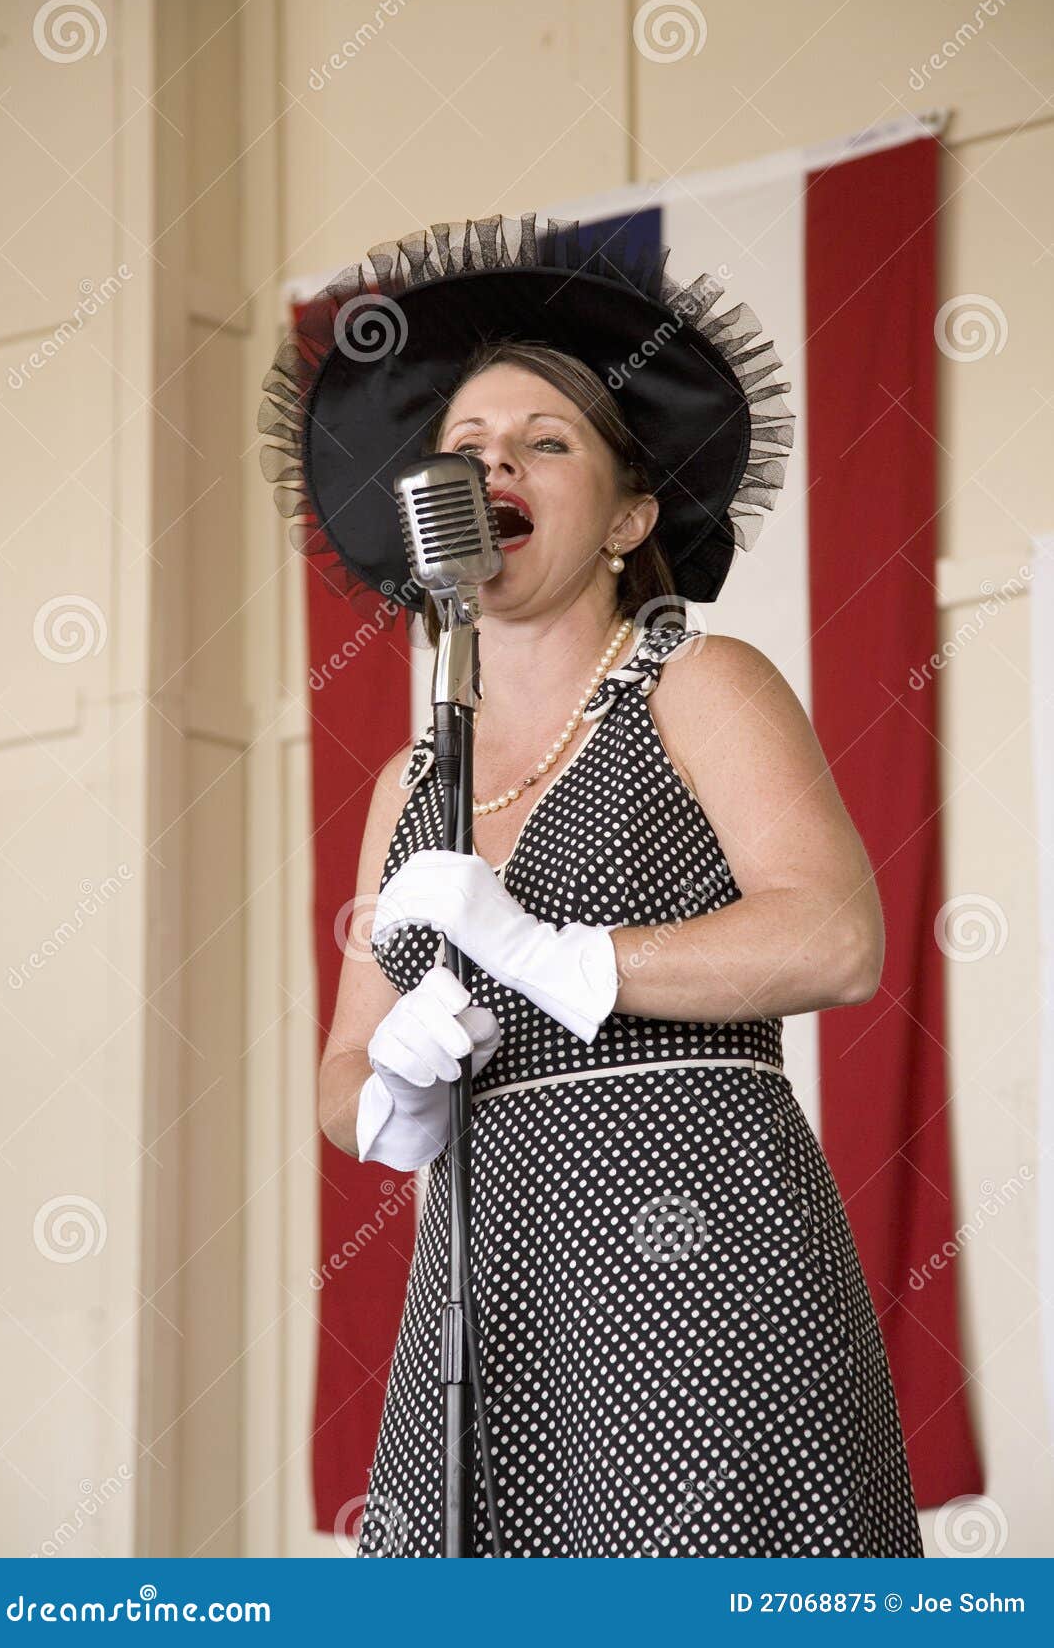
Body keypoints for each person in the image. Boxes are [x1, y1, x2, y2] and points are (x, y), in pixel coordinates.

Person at [258, 213, 925, 1558]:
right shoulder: (412, 779)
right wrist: (386, 1087)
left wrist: (567, 957)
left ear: (629, 514)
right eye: (465, 450)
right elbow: (340, 1070)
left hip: (709, 1271)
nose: (492, 458)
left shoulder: (700, 683)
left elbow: (837, 935)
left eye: (543, 441)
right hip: (489, 1288)